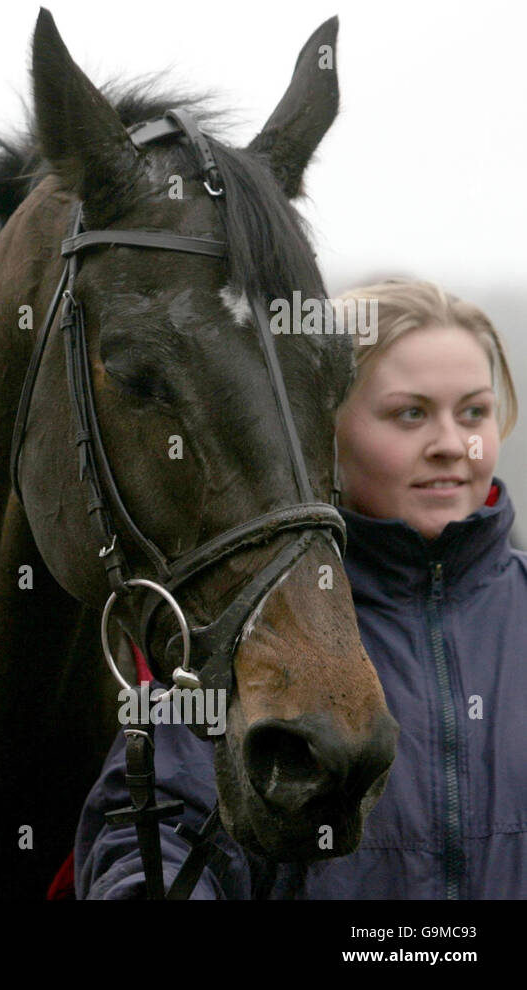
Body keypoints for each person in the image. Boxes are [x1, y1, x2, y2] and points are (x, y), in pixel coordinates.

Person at [76, 278, 527, 898]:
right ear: (319, 433)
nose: (453, 444)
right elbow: (156, 838)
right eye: (411, 414)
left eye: (474, 412)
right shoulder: (246, 629)